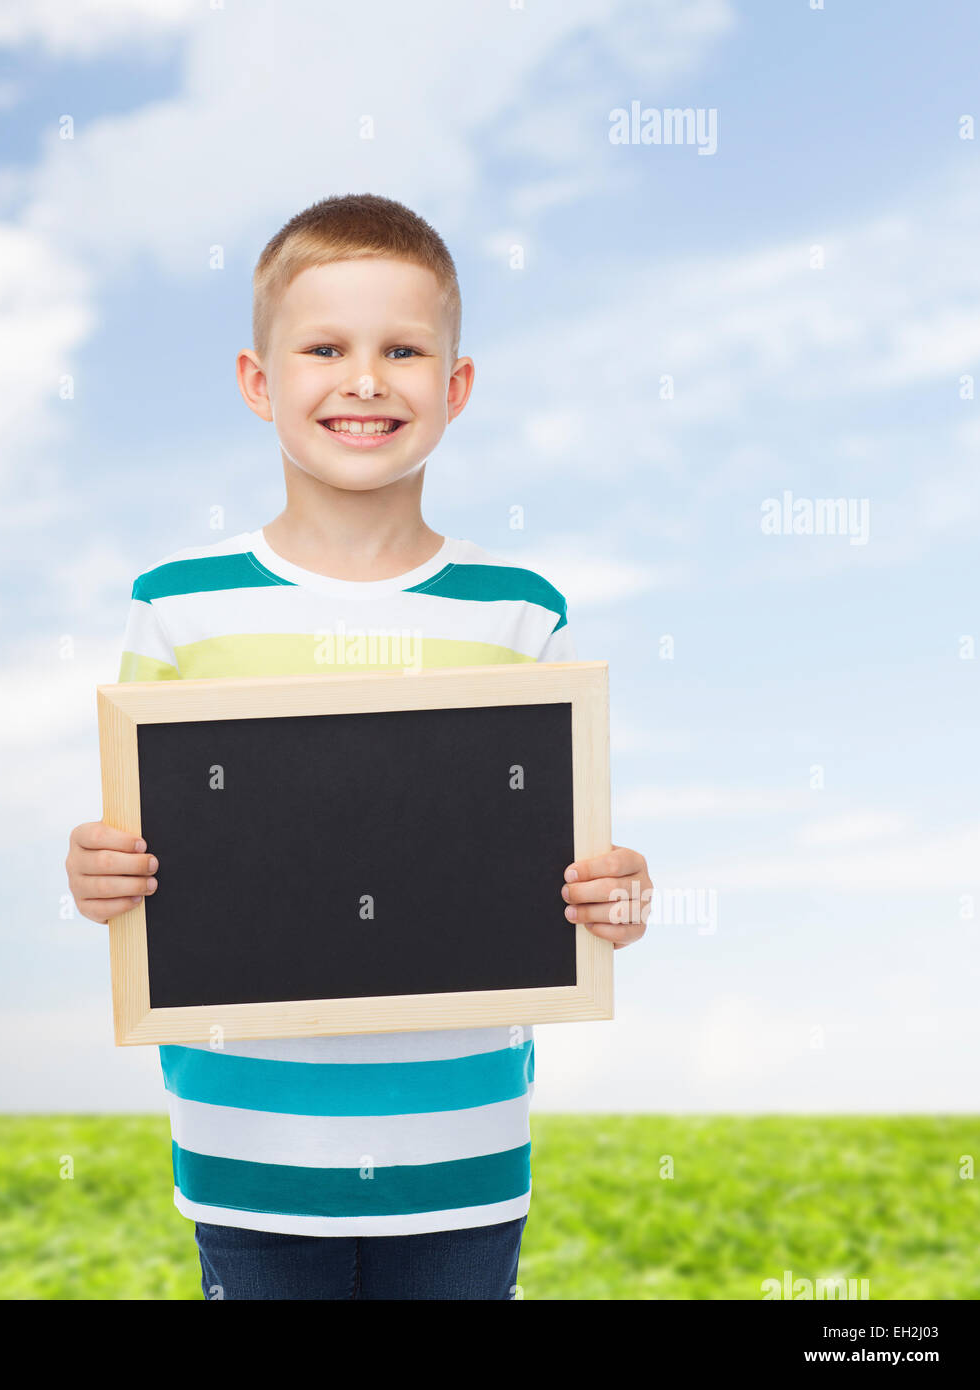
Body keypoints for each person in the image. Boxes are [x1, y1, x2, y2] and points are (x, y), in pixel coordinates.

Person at [65, 192, 653, 1299]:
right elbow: (132, 842)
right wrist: (96, 872)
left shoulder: (519, 610)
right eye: (325, 347)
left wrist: (615, 894)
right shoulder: (177, 604)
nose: (365, 379)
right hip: (249, 1151)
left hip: (462, 1149)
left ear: (456, 387)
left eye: (403, 349)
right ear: (258, 381)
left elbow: (563, 863)